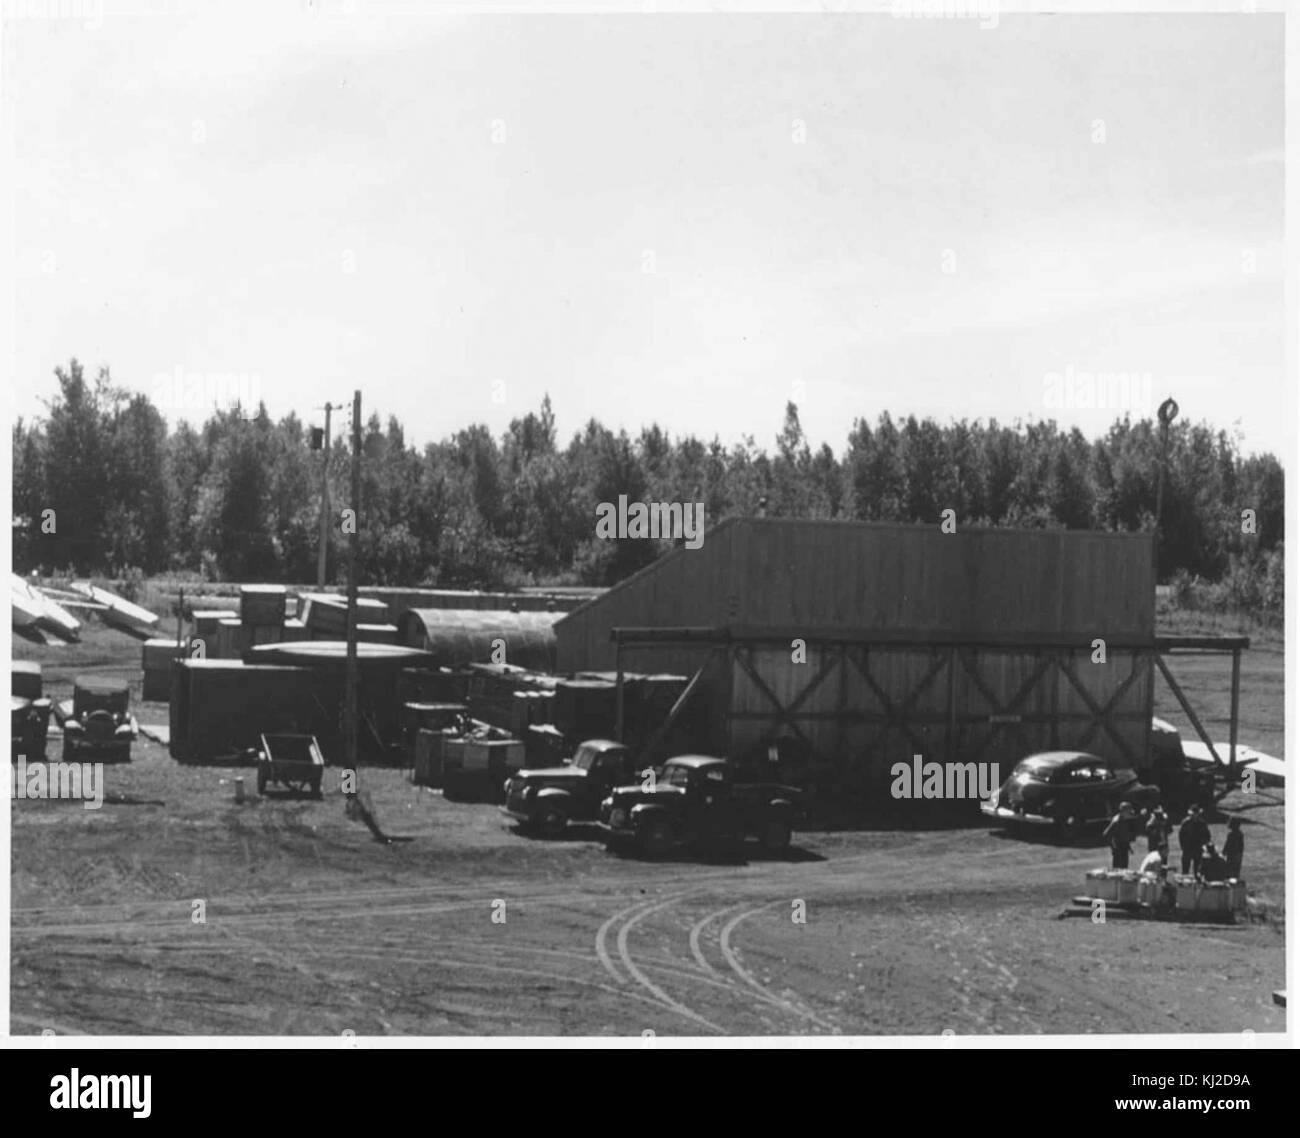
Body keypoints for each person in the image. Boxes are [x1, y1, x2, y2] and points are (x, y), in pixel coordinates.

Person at [1178, 804, 1210, 876]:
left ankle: (1197, 881)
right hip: (1187, 847)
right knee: (1185, 868)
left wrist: (1204, 845)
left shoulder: (1202, 823)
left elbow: (1207, 835)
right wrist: (1183, 846)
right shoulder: (1185, 822)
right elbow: (1181, 835)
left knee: (1197, 868)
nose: (1195, 815)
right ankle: (1185, 881)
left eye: (1196, 813)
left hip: (1198, 848)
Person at [1103, 803, 1137, 869]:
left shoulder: (1124, 820)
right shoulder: (1116, 821)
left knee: (1124, 869)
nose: (1130, 814)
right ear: (1124, 811)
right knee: (1117, 870)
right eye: (1129, 812)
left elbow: (1123, 835)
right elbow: (1106, 834)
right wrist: (1113, 847)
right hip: (1118, 849)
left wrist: (1128, 846)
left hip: (1124, 847)